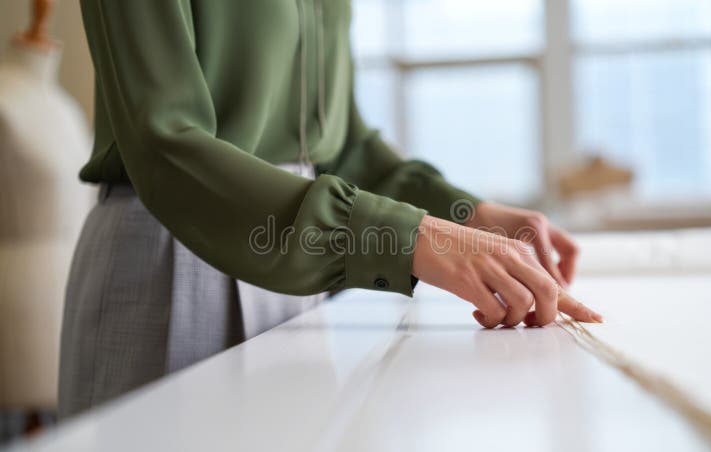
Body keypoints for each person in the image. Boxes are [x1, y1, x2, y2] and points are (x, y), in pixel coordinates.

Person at [59, 0, 601, 418]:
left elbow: (340, 147)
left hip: (300, 262)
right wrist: (406, 237)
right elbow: (164, 145)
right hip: (171, 254)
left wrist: (467, 214)